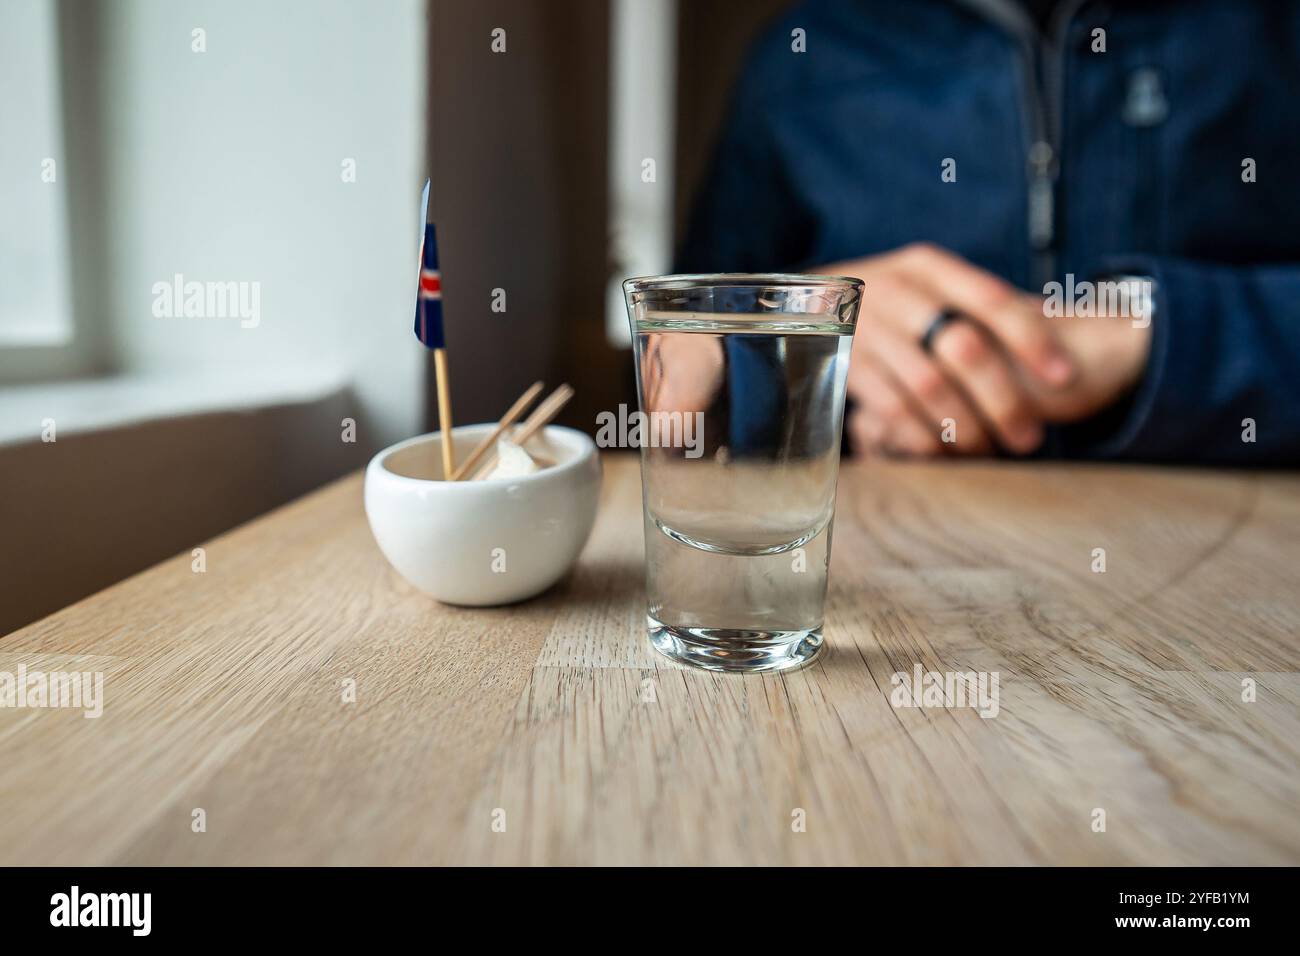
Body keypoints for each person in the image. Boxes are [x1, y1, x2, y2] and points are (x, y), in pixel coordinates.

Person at [676, 0, 1300, 465]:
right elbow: (676, 362)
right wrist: (802, 327)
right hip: (895, 569)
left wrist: (1153, 337)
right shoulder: (805, 54)